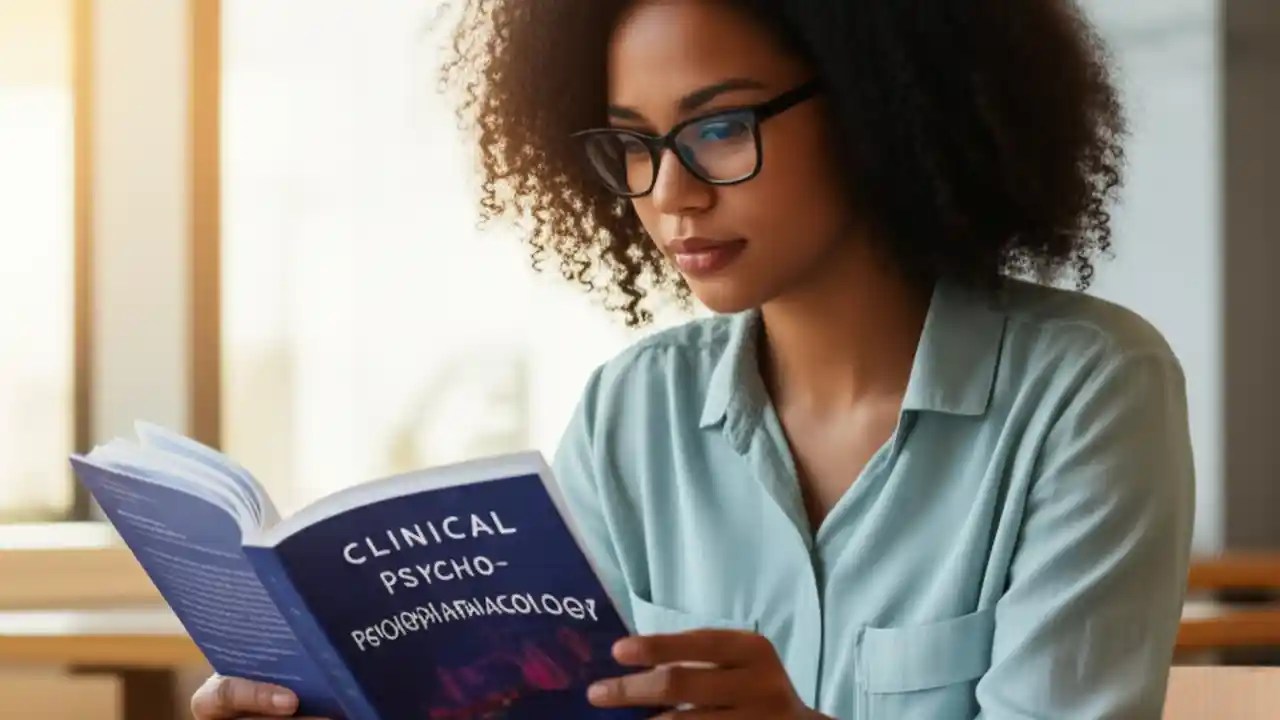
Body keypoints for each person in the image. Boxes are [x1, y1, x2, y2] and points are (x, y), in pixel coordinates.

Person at [192, 0, 1196, 718]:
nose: (669, 192)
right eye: (634, 144)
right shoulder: (633, 410)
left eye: (718, 127)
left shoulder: (1087, 390)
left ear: (880, 106)